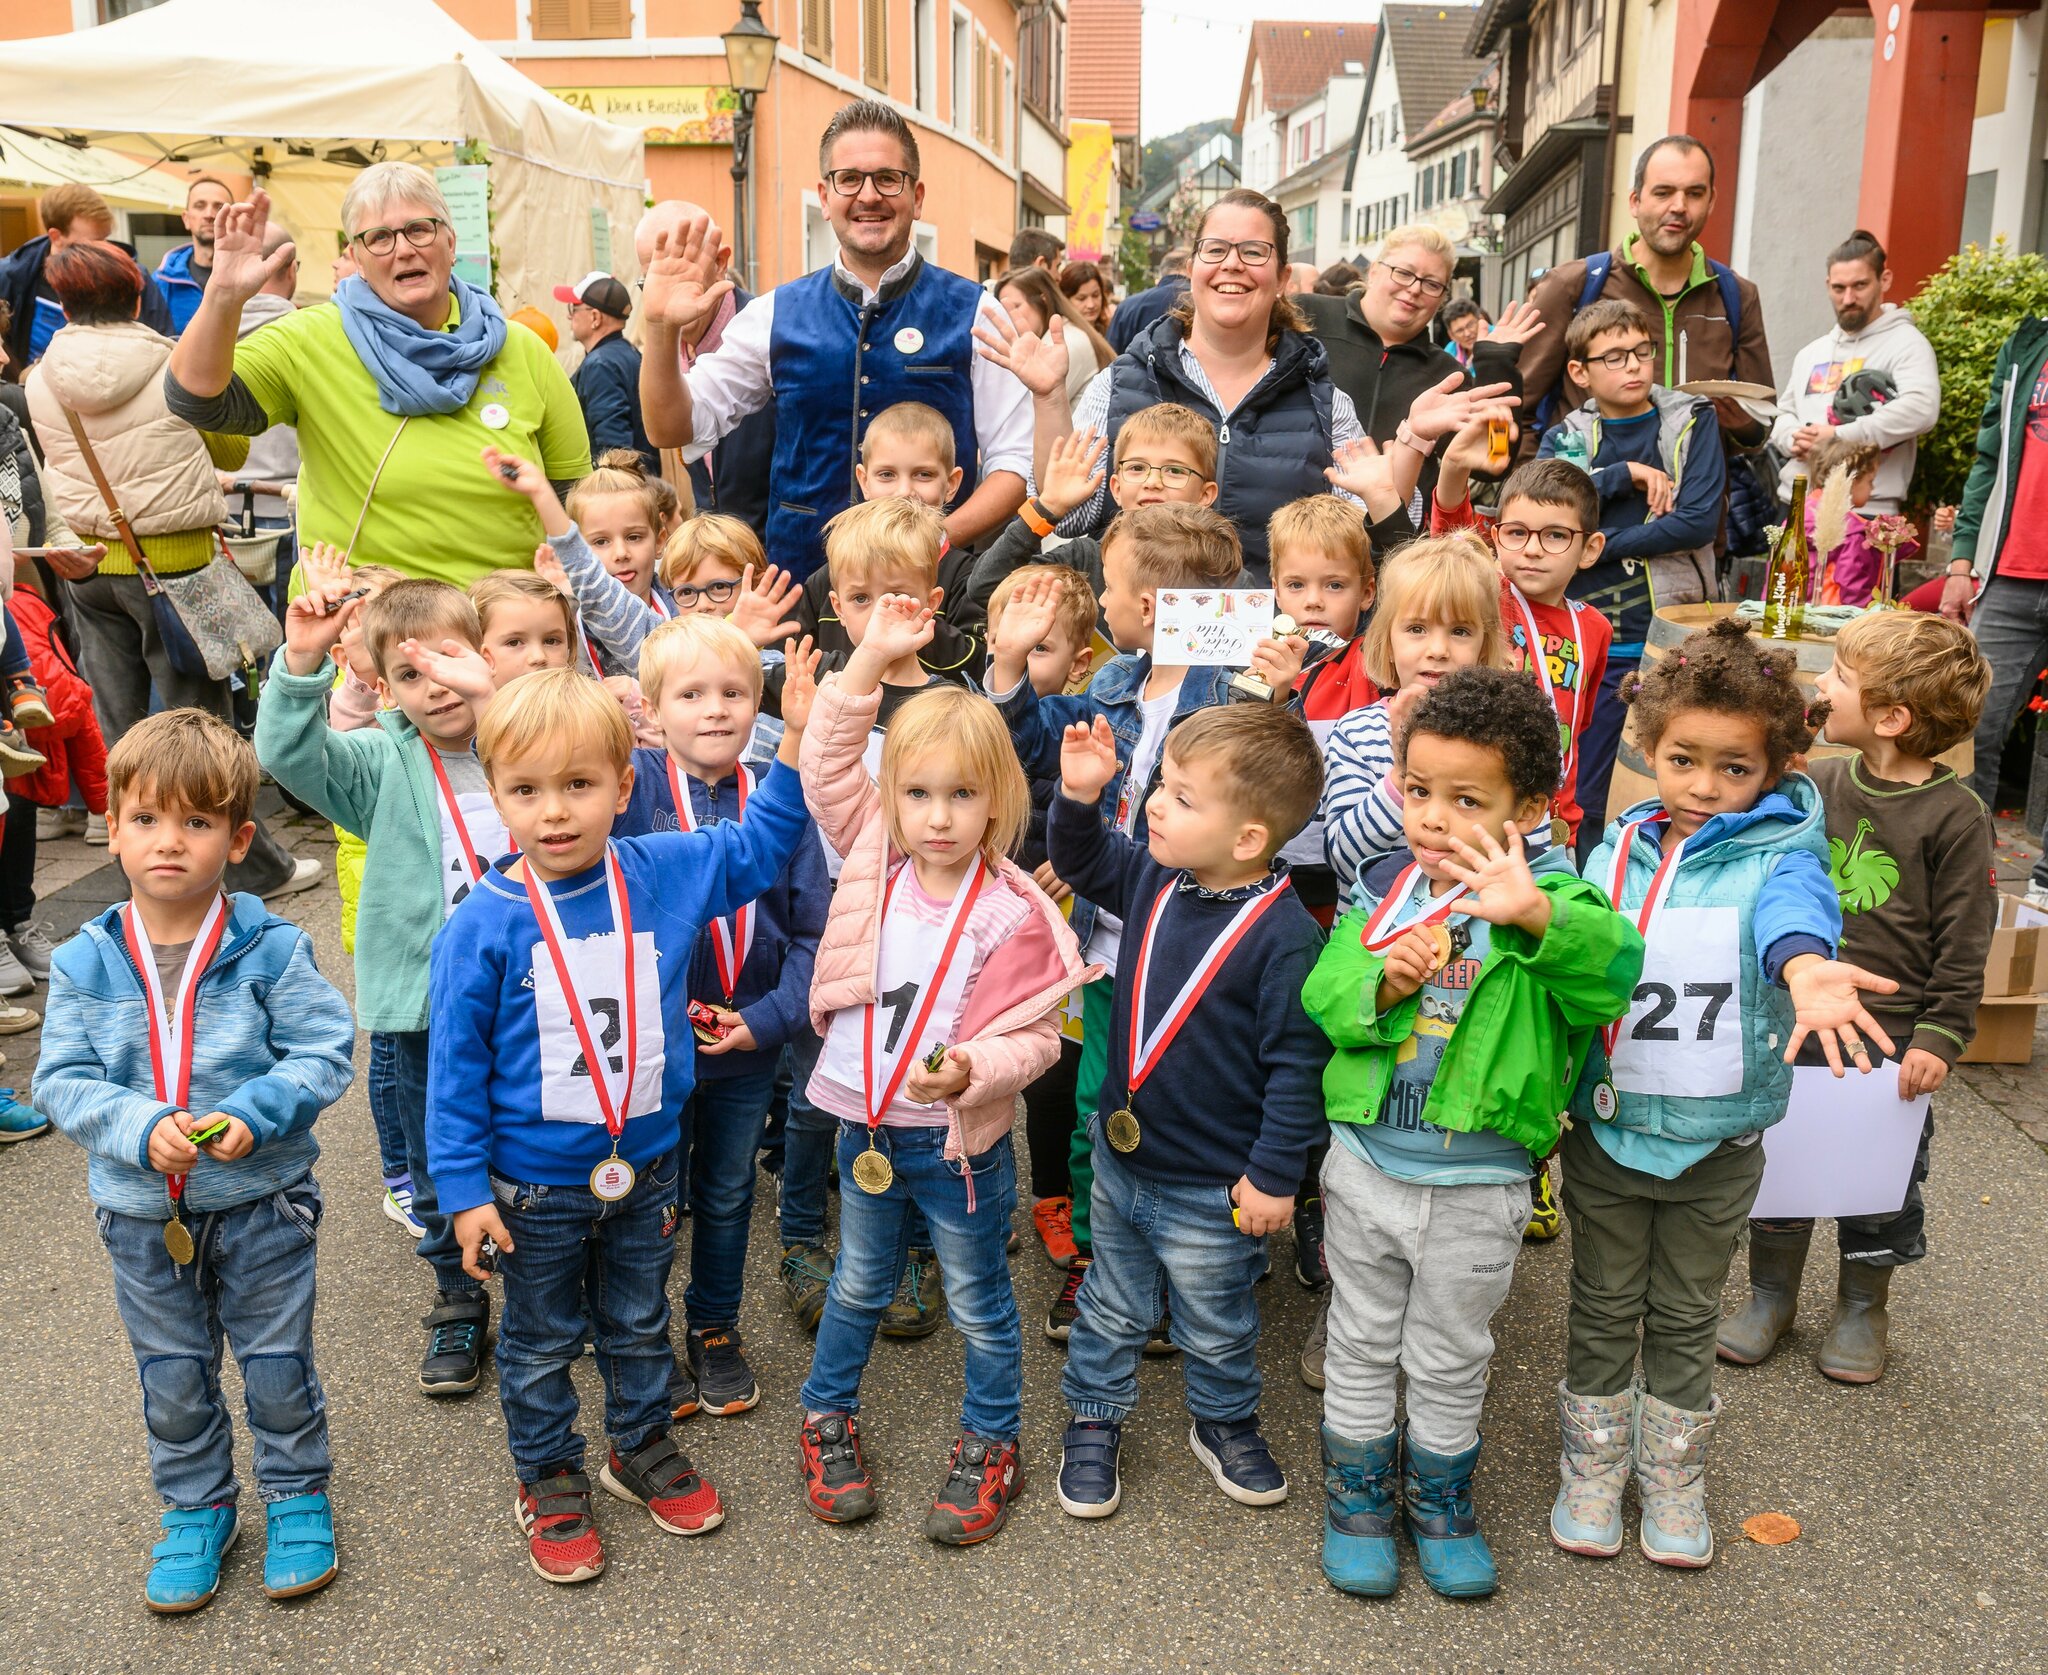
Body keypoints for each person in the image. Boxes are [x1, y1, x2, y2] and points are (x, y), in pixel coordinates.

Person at [427, 665, 814, 1584]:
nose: (553, 811)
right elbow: (452, 1073)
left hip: (645, 1167)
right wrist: (463, 1192)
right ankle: (549, 1472)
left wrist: (794, 737)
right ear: (498, 795)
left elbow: (761, 847)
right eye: (526, 790)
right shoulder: (482, 925)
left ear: (623, 785)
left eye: (578, 785)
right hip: (532, 1188)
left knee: (638, 1321)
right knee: (539, 1337)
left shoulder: (664, 868)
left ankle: (636, 1444)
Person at [1551, 617, 1898, 1570]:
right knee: (1601, 1297)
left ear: (1779, 764)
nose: (1704, 786)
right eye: (1682, 760)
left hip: (1717, 1144)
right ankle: (1591, 1465)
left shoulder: (1784, 851)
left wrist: (1804, 967)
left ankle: (1672, 1475)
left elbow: (1795, 913)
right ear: (1649, 751)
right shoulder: (1612, 853)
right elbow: (1578, 970)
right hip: (1610, 1130)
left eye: (1734, 768)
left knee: (1688, 1308)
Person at [1304, 667, 1640, 1599]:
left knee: (1452, 1350)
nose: (1433, 818)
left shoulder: (1561, 900)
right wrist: (1379, 986)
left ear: (1529, 807)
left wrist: (1533, 915)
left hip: (1479, 1183)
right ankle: (1360, 1495)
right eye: (1418, 791)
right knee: (1362, 1338)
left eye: (1466, 799)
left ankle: (1442, 1497)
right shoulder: (1387, 888)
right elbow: (1325, 999)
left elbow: (1612, 975)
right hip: (1367, 1164)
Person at [33, 708, 355, 1613]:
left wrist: (257, 1111)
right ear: (112, 827)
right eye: (146, 819)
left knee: (276, 1361)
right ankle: (196, 1507)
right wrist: (139, 1126)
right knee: (170, 1372)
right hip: (141, 1213)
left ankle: (296, 1493)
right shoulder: (84, 959)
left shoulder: (272, 948)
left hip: (264, 1200)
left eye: (196, 822)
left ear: (240, 837)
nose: (167, 841)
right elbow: (60, 1078)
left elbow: (325, 1049)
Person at [792, 599, 1085, 1546]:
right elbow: (828, 760)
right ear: (891, 800)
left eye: (962, 796)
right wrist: (869, 658)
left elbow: (1039, 1038)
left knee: (979, 1303)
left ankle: (990, 1441)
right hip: (865, 1130)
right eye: (917, 793)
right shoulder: (869, 854)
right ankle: (825, 1416)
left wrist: (971, 1070)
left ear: (996, 799)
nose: (938, 816)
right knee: (857, 1284)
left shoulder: (1018, 913)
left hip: (960, 1148)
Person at [985, 511, 1269, 1341]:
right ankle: (1101, 1263)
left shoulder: (1236, 685)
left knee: (1193, 1109)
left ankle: (1191, 1265)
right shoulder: (1113, 685)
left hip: (1195, 950)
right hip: (1110, 947)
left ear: (1150, 601)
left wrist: (1275, 694)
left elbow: (1267, 777)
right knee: (1093, 1108)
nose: (1104, 603)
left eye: (1109, 588)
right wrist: (1008, 662)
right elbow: (1035, 743)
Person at [1049, 703, 1330, 1519]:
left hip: (1216, 1186)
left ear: (1247, 838)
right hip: (1121, 1157)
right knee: (1109, 1301)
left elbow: (1295, 1072)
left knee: (1217, 1320)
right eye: (1161, 787)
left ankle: (1224, 1418)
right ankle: (1094, 1418)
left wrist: (1275, 1178)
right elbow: (1082, 853)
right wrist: (1078, 795)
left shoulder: (1283, 937)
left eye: (1180, 796)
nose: (1155, 807)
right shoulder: (1153, 877)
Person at [1719, 613, 1993, 1384]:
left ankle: (1862, 1304)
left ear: (1890, 717)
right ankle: (1770, 1293)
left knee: (1881, 1185)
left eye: (1838, 677)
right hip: (1798, 1019)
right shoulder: (1821, 783)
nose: (1821, 685)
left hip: (1890, 1041)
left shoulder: (1957, 816)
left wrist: (1939, 1036)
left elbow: (1966, 939)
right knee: (1786, 1162)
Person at [255, 577, 503, 1396]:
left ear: (485, 655)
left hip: (534, 998)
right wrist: (299, 659)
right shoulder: (382, 761)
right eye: (408, 674)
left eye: (449, 661)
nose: (434, 687)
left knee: (535, 1149)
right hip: (431, 1009)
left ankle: (551, 1278)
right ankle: (457, 1296)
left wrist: (501, 696)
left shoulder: (528, 742)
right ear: (383, 686)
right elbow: (290, 755)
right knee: (436, 1160)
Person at [23, 238, 319, 900]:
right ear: (136, 297)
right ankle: (248, 871)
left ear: (63, 303)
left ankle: (148, 872)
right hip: (179, 563)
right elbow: (231, 442)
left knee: (125, 731)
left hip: (93, 566)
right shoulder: (173, 360)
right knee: (201, 727)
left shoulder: (42, 377)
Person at [638, 102, 1032, 579]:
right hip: (804, 592)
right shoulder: (773, 314)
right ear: (825, 198)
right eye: (849, 179)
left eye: (888, 178)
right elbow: (672, 428)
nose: (868, 195)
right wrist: (660, 331)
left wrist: (937, 540)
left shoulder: (976, 310)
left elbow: (1014, 464)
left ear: (917, 196)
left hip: (937, 595)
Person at [164, 166, 591, 581]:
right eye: (380, 238)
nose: (404, 249)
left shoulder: (522, 349)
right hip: (365, 627)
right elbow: (196, 399)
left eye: (419, 230)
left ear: (450, 243)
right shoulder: (309, 338)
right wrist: (222, 297)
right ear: (357, 259)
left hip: (505, 627)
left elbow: (576, 497)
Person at [612, 614, 828, 1416]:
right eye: (691, 693)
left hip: (744, 1043)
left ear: (759, 702)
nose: (714, 709)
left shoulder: (781, 792)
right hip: (649, 1050)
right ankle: (642, 1335)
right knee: (648, 1197)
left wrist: (768, 1018)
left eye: (734, 692)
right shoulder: (628, 791)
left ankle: (714, 1326)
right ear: (652, 707)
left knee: (730, 1190)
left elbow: (814, 932)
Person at [981, 189, 1374, 580]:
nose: (1232, 264)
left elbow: (1360, 536)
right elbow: (1071, 514)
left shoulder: (1323, 401)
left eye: (1254, 252)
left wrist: (1404, 458)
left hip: (1269, 637)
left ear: (1282, 278)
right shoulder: (1122, 381)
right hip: (1133, 632)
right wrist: (1049, 398)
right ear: (1192, 266)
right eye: (1215, 249)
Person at [1538, 298, 1724, 837]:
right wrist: (1623, 473)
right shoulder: (1567, 435)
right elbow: (1548, 508)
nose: (1635, 366)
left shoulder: (1691, 420)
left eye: (1643, 352)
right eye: (1615, 357)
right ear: (1580, 372)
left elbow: (1695, 523)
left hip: (1671, 634)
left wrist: (1597, 543)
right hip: (1586, 637)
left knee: (1667, 778)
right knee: (1585, 787)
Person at [1520, 136, 1771, 456]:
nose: (1679, 206)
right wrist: (1538, 490)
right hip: (1590, 501)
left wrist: (1742, 426)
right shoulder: (1574, 285)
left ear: (1710, 201)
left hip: (1695, 502)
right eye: (1663, 192)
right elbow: (1518, 406)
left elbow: (1761, 425)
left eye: (1694, 193)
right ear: (1635, 201)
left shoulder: (1736, 295)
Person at [985, 563, 1098, 1267]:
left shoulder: (1086, 721)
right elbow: (998, 732)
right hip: (993, 917)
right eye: (1008, 643)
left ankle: (1053, 1193)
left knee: (1060, 1072)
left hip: (1066, 915)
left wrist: (1077, 852)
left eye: (1041, 650)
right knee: (986, 1058)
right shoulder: (984, 709)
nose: (1023, 661)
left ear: (1081, 662)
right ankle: (985, 1195)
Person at [1429, 454, 1615, 855]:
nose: (1531, 550)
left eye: (1555, 536)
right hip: (1480, 810)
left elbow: (1577, 723)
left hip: (1556, 819)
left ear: (1589, 548)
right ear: (1495, 537)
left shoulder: (1595, 627)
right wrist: (1456, 464)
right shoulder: (1486, 596)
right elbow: (1448, 538)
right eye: (1516, 533)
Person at [1322, 536, 1512, 897]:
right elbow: (1345, 858)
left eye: (1459, 631)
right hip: (1371, 936)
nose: (1438, 650)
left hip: (1470, 934)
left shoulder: (1504, 736)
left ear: (1484, 645)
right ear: (1386, 642)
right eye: (1416, 629)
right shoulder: (1357, 734)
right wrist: (1403, 770)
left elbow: (1529, 848)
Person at [1933, 317, 2048, 907]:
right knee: (1968, 728)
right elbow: (1989, 460)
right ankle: (1966, 879)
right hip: (2010, 575)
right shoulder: (2029, 344)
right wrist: (1961, 563)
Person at [1294, 224, 1533, 503]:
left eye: (1431, 284)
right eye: (1404, 273)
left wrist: (1496, 364)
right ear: (1374, 271)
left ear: (1442, 299)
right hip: (1292, 524)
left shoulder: (1448, 376)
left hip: (1392, 535)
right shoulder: (1307, 315)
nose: (1414, 289)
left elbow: (1494, 460)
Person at [959, 403, 1221, 638]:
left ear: (1205, 494)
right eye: (1137, 468)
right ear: (1116, 488)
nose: (1152, 482)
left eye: (1175, 471)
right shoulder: (1084, 559)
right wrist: (1046, 508)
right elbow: (987, 586)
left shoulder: (1218, 572)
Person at [1768, 230, 1938, 518]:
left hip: (1867, 510)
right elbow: (1783, 412)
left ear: (1884, 280)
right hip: (1797, 502)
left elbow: (1921, 408)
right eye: (1838, 288)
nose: (1848, 298)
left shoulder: (1907, 343)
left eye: (1860, 285)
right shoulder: (1813, 352)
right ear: (1827, 285)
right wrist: (1793, 437)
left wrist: (1838, 437)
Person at [634, 203, 775, 538]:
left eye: (686, 272)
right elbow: (666, 434)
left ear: (720, 262)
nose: (671, 289)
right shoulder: (667, 347)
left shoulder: (769, 332)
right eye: (652, 280)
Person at [0, 183, 173, 372]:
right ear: (56, 236)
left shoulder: (133, 277)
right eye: (91, 243)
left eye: (105, 239)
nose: (102, 250)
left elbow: (164, 343)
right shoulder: (12, 276)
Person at [224, 224, 303, 608]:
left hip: (223, 517)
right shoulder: (313, 336)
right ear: (292, 269)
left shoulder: (201, 340)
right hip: (294, 512)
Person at [555, 271, 656, 477]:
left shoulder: (601, 365)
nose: (568, 315)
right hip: (642, 485)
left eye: (573, 308)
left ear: (595, 317)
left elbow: (613, 449)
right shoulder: (628, 353)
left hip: (619, 489)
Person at [996, 264, 1114, 409]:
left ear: (1043, 301)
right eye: (1004, 309)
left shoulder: (1066, 343)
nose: (1009, 314)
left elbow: (1027, 416)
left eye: (1015, 306)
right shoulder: (1059, 338)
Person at [1801, 433, 1888, 606]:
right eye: (1870, 481)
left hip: (1785, 615)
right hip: (1830, 621)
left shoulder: (1798, 515)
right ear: (1852, 480)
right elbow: (1854, 588)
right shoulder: (1852, 530)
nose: (1873, 487)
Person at [154, 179, 233, 338]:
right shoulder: (161, 282)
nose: (209, 215)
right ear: (186, 219)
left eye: (219, 207)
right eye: (200, 206)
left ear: (232, 218)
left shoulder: (249, 277)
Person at [1107, 247, 1191, 355]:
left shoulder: (1128, 306)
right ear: (1190, 268)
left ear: (1163, 271)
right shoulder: (1201, 301)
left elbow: (1110, 353)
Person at [1059, 260, 1112, 336]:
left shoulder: (1109, 331)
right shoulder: (1064, 336)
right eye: (1081, 298)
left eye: (1095, 295)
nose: (1091, 305)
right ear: (1066, 299)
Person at [1441, 297, 1488, 370]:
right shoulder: (1450, 350)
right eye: (1459, 330)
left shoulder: (1497, 339)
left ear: (1481, 320)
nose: (1467, 334)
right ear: (1451, 335)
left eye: (1470, 325)